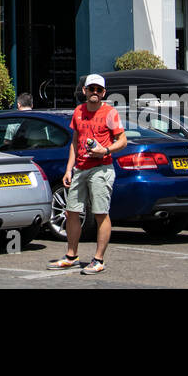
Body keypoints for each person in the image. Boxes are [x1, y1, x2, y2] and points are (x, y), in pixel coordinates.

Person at [48, 73, 128, 275]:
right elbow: (75, 142)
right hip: (80, 169)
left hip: (101, 168)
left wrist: (106, 150)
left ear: (104, 93)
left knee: (100, 213)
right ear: (84, 90)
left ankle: (99, 259)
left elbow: (123, 141)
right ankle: (71, 256)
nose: (95, 93)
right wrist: (68, 169)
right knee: (71, 211)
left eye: (99, 90)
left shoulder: (110, 113)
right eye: (91, 89)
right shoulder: (78, 111)